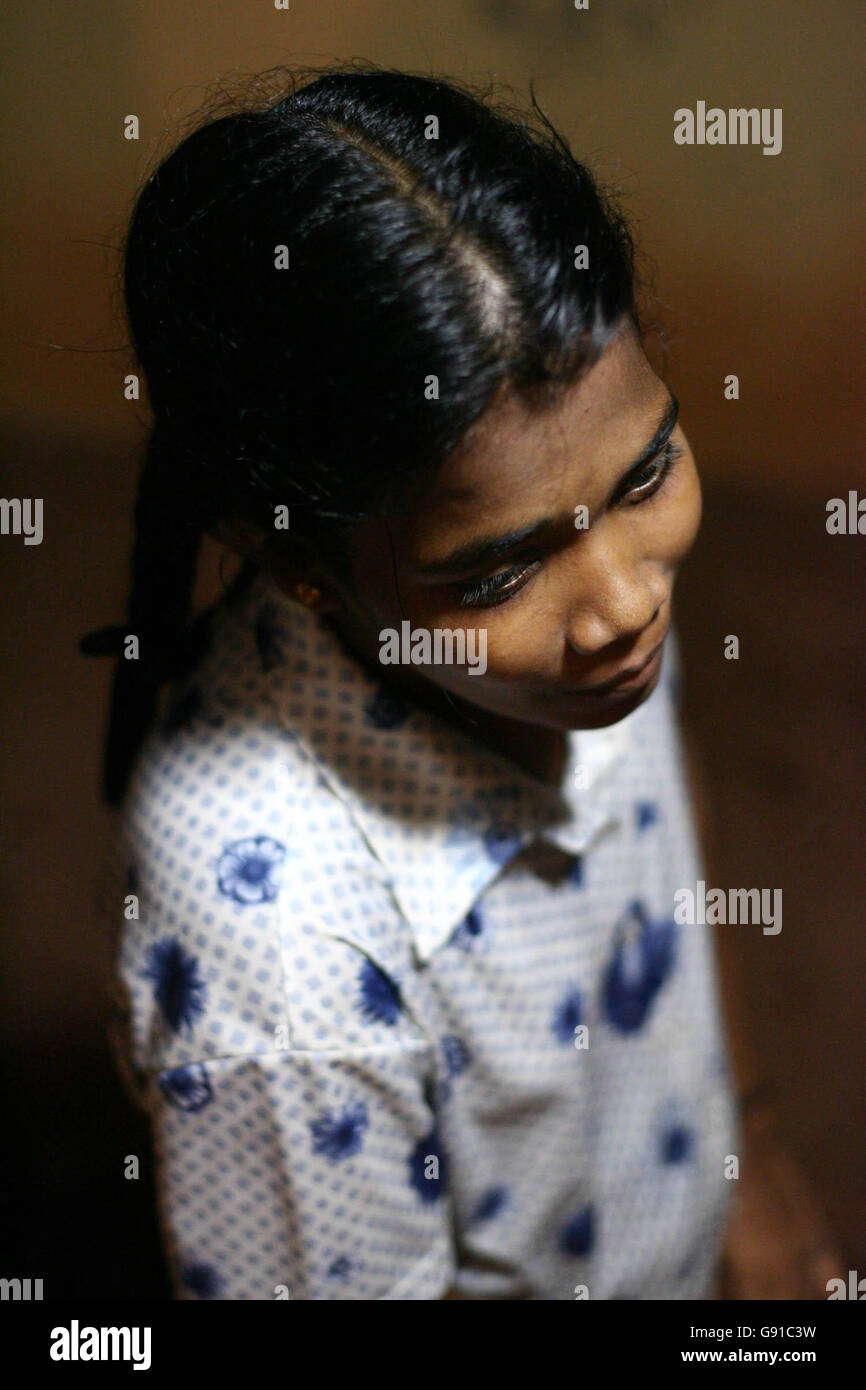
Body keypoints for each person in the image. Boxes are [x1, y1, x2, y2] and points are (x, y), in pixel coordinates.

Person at [82, 65, 839, 1299]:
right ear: (299, 559)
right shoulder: (279, 965)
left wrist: (748, 1151)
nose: (623, 604)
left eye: (648, 476)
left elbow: (651, 830)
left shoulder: (578, 558)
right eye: (496, 575)